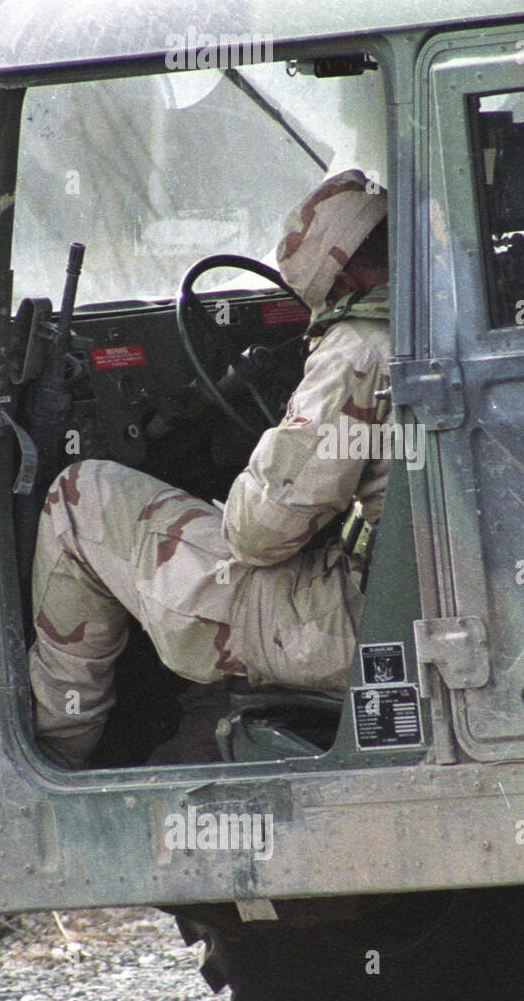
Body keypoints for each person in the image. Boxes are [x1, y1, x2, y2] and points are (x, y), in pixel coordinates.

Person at [29, 168, 392, 769]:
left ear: (344, 275)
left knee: (77, 501)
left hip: (352, 625)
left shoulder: (358, 349)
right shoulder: (453, 319)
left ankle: (52, 763)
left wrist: (259, 467)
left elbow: (260, 534)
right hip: (434, 603)